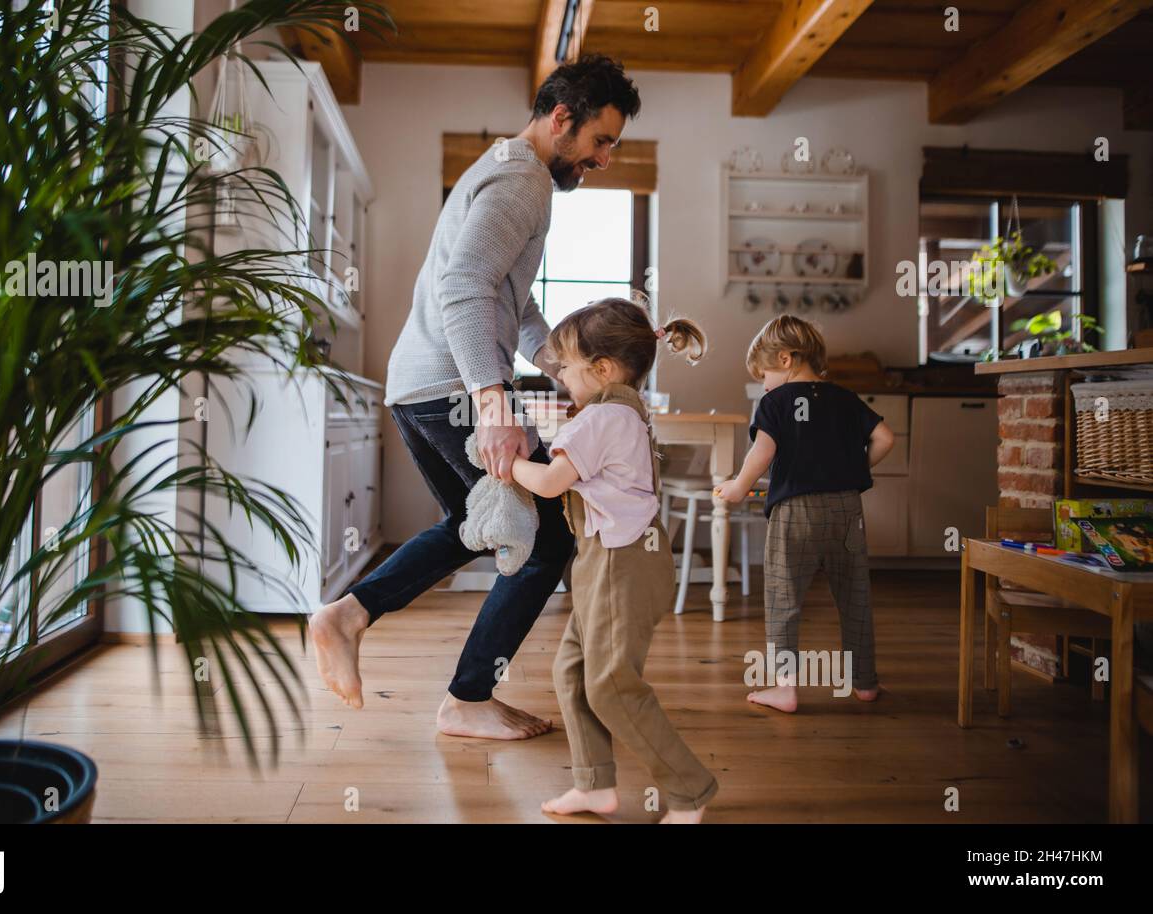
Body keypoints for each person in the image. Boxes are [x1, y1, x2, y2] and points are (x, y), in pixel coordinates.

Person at [309, 56, 642, 740]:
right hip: (452, 386)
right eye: (601, 140)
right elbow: (463, 290)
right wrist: (493, 407)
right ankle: (466, 698)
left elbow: (505, 304)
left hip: (424, 383)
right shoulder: (522, 183)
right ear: (561, 119)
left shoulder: (504, 168)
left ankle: (349, 615)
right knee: (547, 541)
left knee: (473, 522)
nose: (605, 158)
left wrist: (573, 370)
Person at [511, 297, 718, 822]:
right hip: (618, 558)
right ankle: (594, 784)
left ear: (602, 370)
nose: (559, 377)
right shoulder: (626, 411)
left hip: (618, 564)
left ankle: (689, 790)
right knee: (574, 671)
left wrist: (508, 464)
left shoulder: (598, 419)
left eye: (565, 367)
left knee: (610, 683)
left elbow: (551, 482)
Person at [718, 315, 895, 713]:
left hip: (795, 512)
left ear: (785, 359)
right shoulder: (845, 398)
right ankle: (865, 683)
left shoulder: (774, 403)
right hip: (848, 511)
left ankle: (785, 687)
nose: (763, 384)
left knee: (784, 598)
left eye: (763, 373)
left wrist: (737, 487)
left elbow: (761, 454)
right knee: (855, 596)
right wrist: (855, 470)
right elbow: (885, 438)